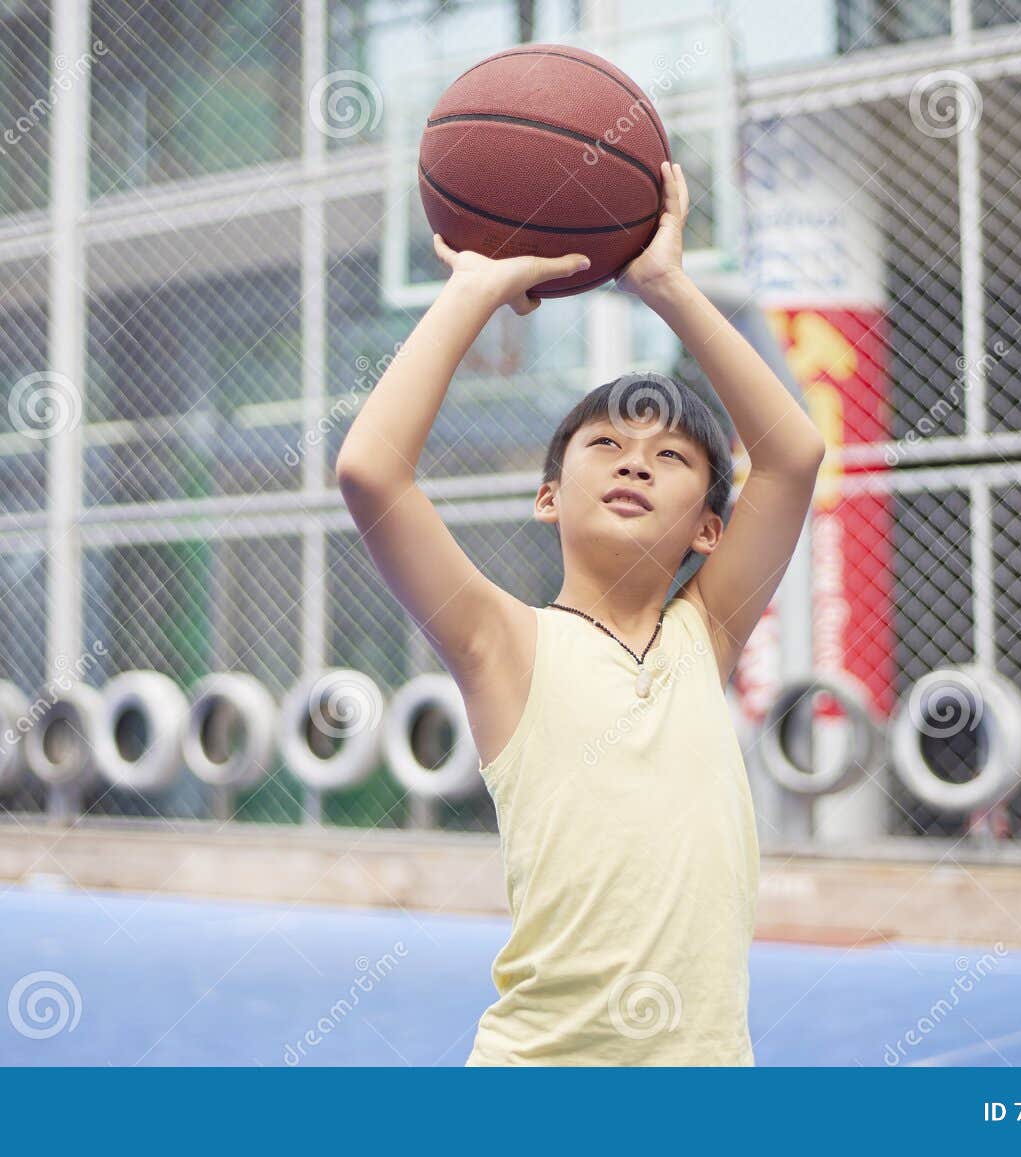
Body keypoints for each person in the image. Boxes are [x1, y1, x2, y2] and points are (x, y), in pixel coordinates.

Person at [335, 161, 825, 1064]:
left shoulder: (703, 635)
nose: (636, 461)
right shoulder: (503, 644)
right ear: (549, 497)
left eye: (672, 456)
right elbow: (371, 471)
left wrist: (665, 286)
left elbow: (793, 454)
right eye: (606, 444)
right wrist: (474, 291)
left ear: (712, 528)